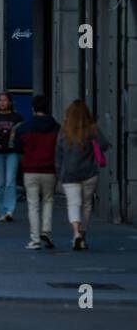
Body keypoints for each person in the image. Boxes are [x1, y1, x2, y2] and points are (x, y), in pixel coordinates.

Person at [56, 99, 109, 251]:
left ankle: (76, 233)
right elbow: (104, 145)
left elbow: (58, 154)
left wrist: (60, 172)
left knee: (73, 204)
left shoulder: (64, 130)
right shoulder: (92, 129)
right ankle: (83, 235)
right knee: (86, 205)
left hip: (69, 173)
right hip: (89, 172)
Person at [13, 94, 59, 250]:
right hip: (49, 169)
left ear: (33, 108)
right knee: (48, 200)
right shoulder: (55, 127)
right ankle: (47, 231)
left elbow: (17, 147)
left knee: (33, 205)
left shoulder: (25, 127)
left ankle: (35, 239)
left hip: (30, 169)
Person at [0, 92, 24, 223]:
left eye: (4, 100)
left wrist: (18, 145)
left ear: (10, 102)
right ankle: (2, 211)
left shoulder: (17, 117)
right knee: (1, 183)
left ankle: (9, 210)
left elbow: (21, 133)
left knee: (10, 181)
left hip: (12, 152)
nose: (2, 103)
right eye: (0, 100)